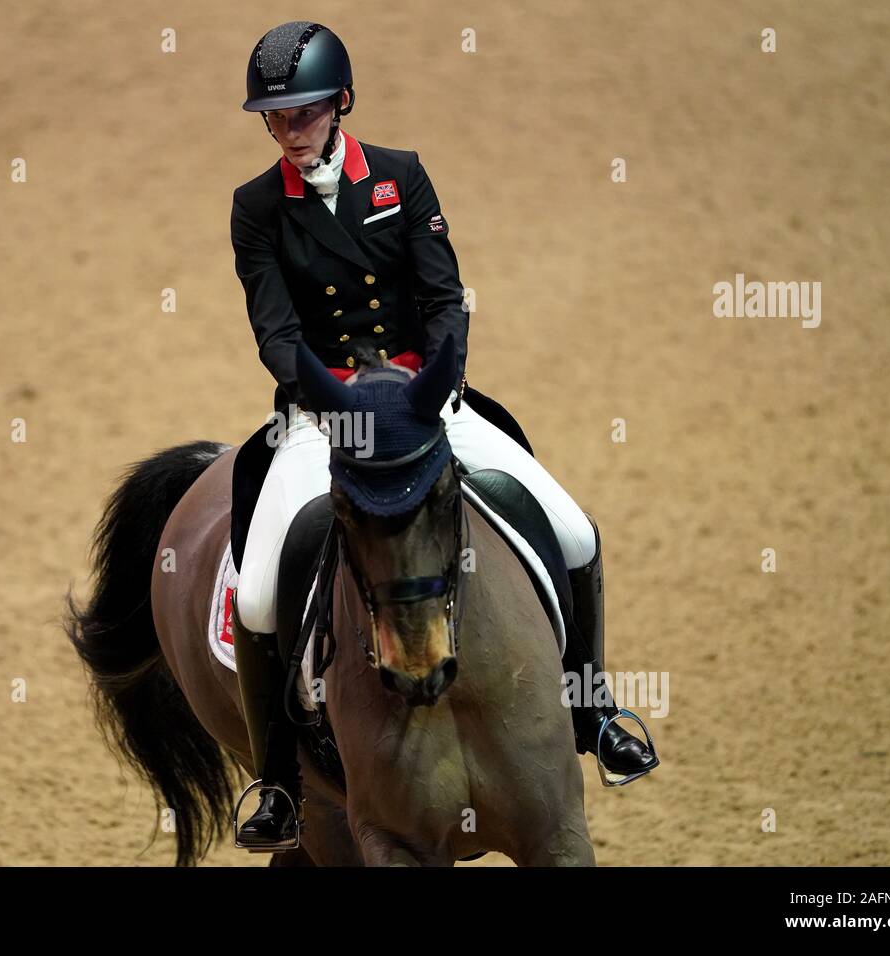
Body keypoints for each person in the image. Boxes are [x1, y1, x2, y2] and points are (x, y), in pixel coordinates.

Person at [228, 20, 658, 851]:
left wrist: (428, 385)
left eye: (305, 114)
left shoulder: (400, 177)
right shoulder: (255, 208)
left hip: (427, 403)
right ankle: (279, 781)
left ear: (341, 103)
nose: (290, 132)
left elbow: (444, 297)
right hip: (327, 417)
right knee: (254, 593)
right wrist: (335, 395)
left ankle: (595, 712)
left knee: (572, 529)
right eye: (276, 119)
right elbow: (276, 331)